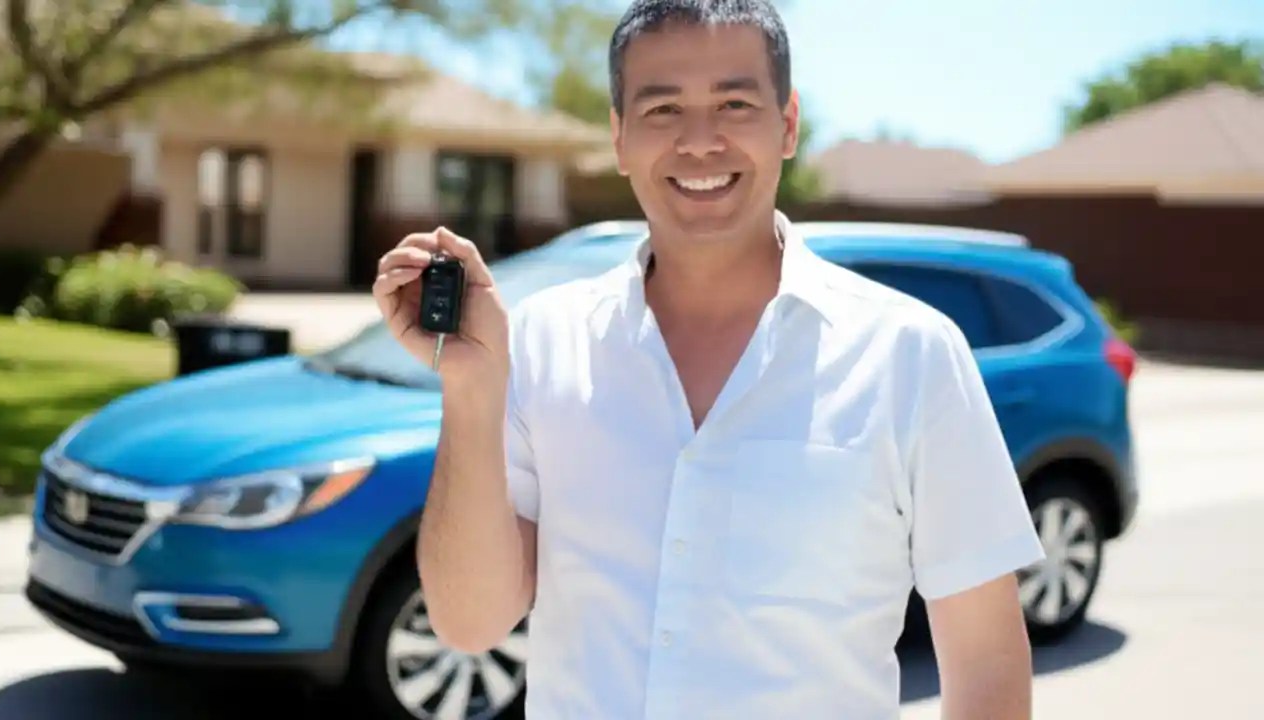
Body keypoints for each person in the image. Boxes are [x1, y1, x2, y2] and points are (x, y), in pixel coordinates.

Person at [373, 0, 1046, 717]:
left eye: (734, 104)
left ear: (787, 125)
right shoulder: (540, 342)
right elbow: (469, 624)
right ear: (620, 137)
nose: (700, 142)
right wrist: (470, 389)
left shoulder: (911, 353)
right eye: (663, 110)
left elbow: (987, 666)